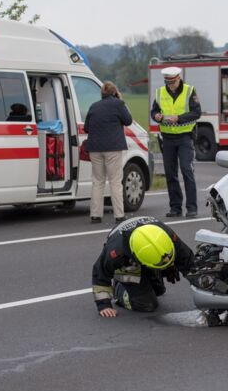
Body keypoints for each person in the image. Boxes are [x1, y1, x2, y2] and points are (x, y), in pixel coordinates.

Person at [91, 216, 196, 317]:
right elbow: (100, 272)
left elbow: (188, 261)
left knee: (159, 291)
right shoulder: (116, 251)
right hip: (128, 261)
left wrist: (201, 285)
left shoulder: (167, 235)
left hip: (145, 238)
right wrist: (103, 305)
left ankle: (149, 275)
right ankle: (119, 288)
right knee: (146, 304)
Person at [150, 67, 201, 218]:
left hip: (185, 137)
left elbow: (196, 113)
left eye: (172, 82)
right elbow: (154, 111)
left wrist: (179, 118)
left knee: (187, 170)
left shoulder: (189, 90)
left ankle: (191, 207)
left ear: (178, 78)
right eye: (168, 82)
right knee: (170, 173)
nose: (170, 85)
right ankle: (175, 208)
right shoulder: (160, 92)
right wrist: (157, 116)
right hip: (167, 138)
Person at [84, 81, 132, 224]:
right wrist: (120, 100)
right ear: (114, 92)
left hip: (95, 149)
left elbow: (87, 128)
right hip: (113, 148)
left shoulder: (94, 106)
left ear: (102, 93)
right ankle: (119, 215)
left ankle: (95, 215)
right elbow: (128, 121)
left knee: (98, 181)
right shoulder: (118, 104)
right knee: (115, 181)